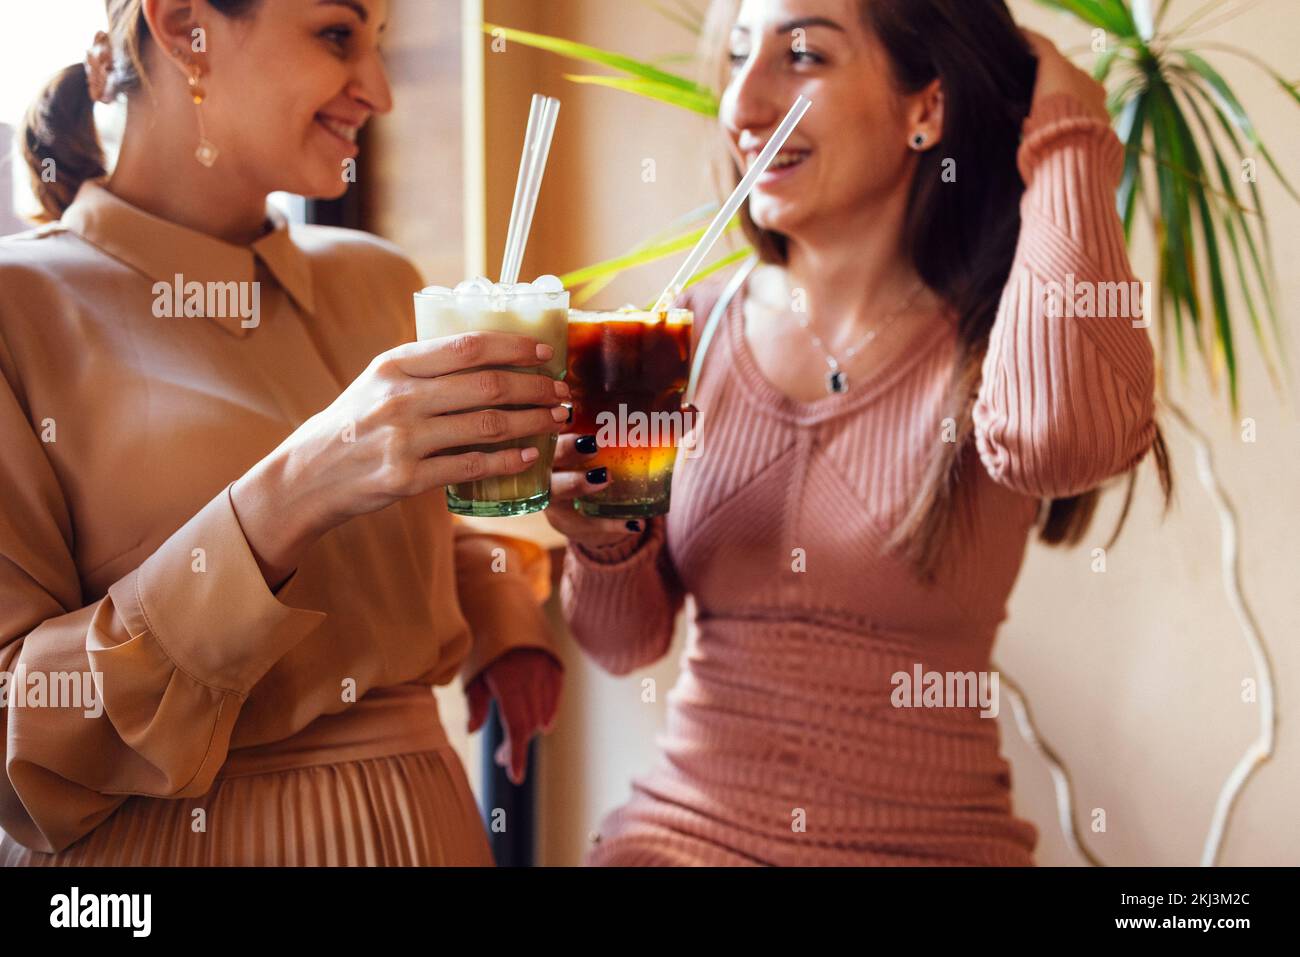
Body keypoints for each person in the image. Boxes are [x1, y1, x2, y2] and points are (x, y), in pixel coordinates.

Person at [547, 0, 1172, 866]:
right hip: (680, 839)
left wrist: (1064, 117)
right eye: (736, 55)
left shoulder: (998, 342)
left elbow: (1061, 440)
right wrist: (601, 540)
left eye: (802, 55)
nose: (743, 104)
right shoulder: (677, 335)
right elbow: (623, 643)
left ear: (928, 109)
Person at [0, 0, 564, 865]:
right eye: (337, 35)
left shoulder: (381, 278)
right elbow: (14, 742)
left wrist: (501, 613)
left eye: (378, 45)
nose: (378, 91)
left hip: (430, 826)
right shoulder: (19, 307)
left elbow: (406, 532)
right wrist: (297, 485)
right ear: (186, 27)